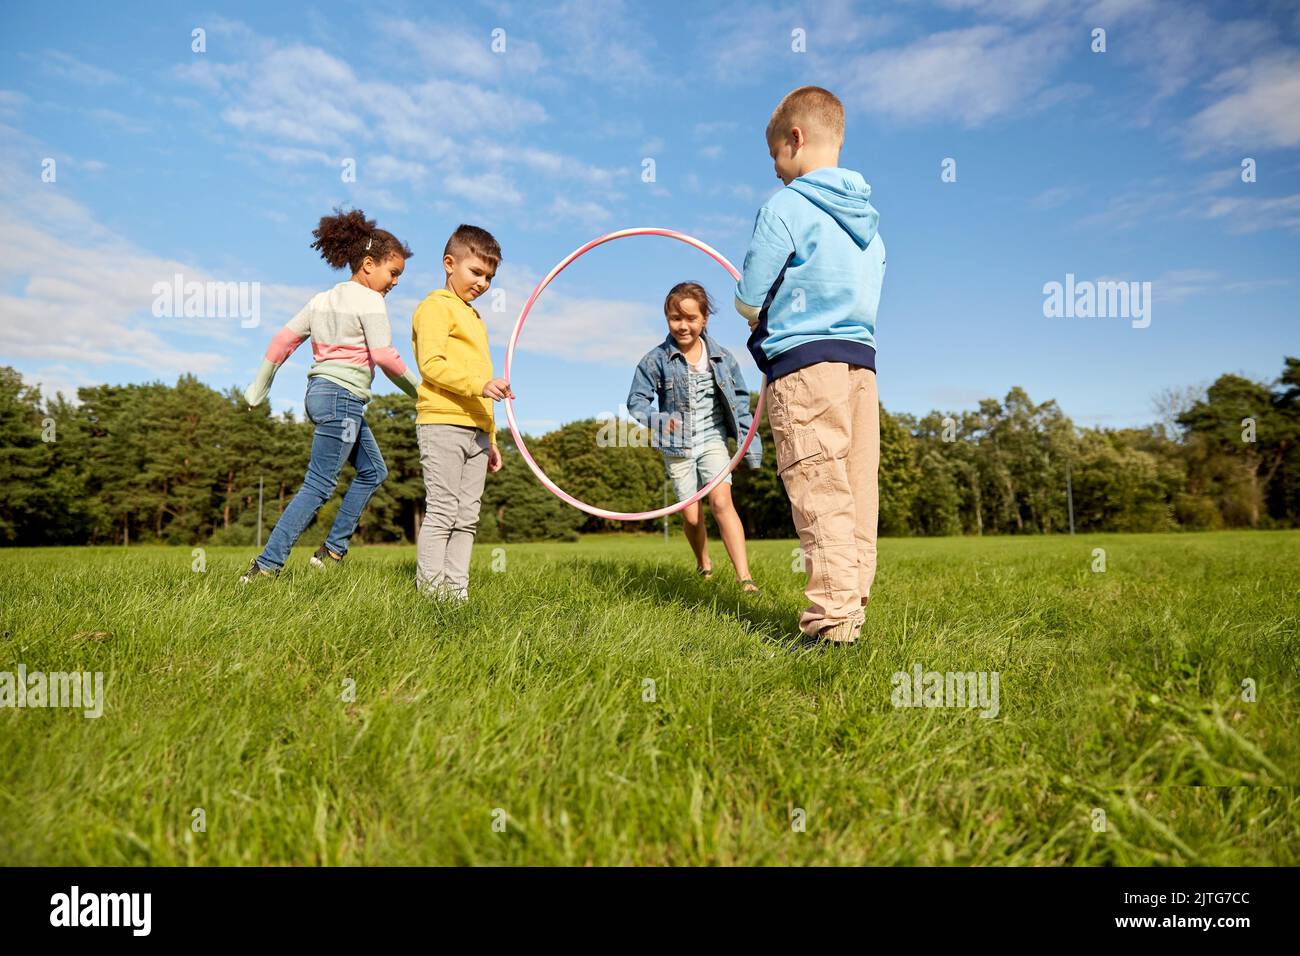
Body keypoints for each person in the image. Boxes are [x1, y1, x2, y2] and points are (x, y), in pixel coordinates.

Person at [734, 86, 887, 646]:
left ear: (794, 139)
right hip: (861, 370)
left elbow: (750, 295)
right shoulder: (870, 225)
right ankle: (852, 603)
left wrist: (753, 313)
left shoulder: (786, 207)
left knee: (818, 485)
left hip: (804, 369)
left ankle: (830, 624)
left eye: (775, 154)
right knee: (855, 487)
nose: (776, 170)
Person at [239, 208, 419, 584]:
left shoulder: (322, 300)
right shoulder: (371, 302)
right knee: (319, 485)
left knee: (373, 471)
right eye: (393, 272)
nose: (395, 282)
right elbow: (384, 356)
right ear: (368, 264)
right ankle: (265, 567)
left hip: (320, 395)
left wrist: (259, 385)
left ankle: (332, 550)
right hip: (343, 400)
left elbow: (282, 341)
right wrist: (423, 392)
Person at [628, 281, 762, 592]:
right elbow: (636, 401)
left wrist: (748, 447)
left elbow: (742, 406)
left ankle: (745, 578)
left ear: (704, 319)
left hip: (713, 438)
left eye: (691, 318)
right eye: (676, 318)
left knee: (721, 501)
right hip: (677, 446)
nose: (683, 325)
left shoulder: (723, 358)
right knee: (690, 517)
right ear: (667, 318)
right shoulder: (655, 359)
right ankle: (704, 564)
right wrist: (659, 419)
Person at [411, 224, 512, 601]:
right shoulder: (435, 307)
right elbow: (431, 364)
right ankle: (430, 593)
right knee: (442, 511)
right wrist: (478, 385)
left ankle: (456, 594)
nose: (483, 283)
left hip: (476, 430)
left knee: (467, 517)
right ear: (449, 263)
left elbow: (482, 381)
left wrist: (492, 436)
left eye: (489, 277)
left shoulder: (474, 318)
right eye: (476, 272)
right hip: (442, 422)